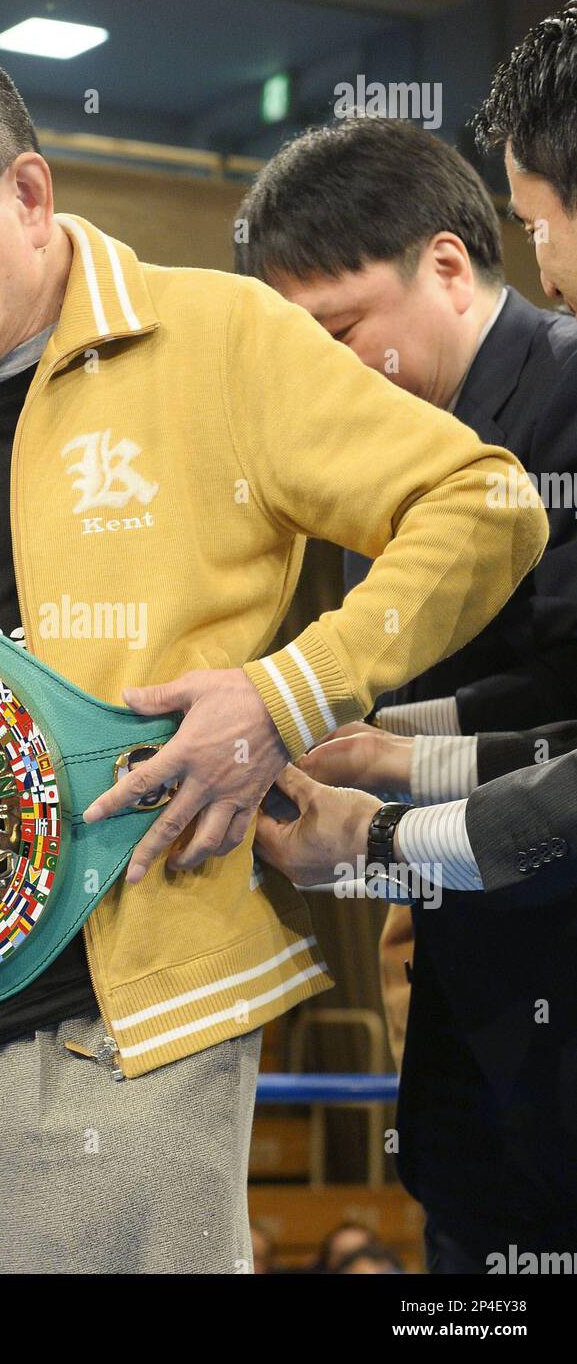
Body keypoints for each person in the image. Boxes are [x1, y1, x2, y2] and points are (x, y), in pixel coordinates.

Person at [0, 37, 546, 1275]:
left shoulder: (216, 336)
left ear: (25, 193)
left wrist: (288, 693)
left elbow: (485, 504)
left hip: (112, 1028)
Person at [236, 108, 577, 1273]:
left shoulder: (567, 396)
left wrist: (385, 801)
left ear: (445, 263)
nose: (326, 373)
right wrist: (367, 748)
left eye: (339, 328)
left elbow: (563, 719)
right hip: (465, 996)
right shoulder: (387, 446)